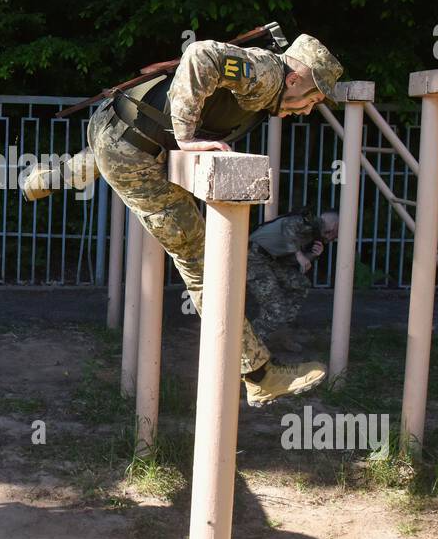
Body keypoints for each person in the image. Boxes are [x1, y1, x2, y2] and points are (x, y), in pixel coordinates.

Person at [81, 34, 343, 407]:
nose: (305, 111)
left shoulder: (266, 83)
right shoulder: (268, 75)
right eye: (312, 100)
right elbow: (201, 54)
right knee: (205, 265)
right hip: (132, 152)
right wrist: (186, 138)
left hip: (120, 127)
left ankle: (38, 180)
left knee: (87, 165)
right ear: (295, 78)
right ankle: (258, 374)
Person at [247, 209, 339, 359]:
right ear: (334, 226)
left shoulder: (311, 232)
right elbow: (287, 227)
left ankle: (280, 331)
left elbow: (289, 260)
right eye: (336, 233)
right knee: (276, 310)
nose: (334, 237)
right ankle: (248, 346)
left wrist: (312, 255)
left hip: (270, 261)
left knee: (300, 284)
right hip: (254, 258)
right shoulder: (304, 222)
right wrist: (299, 254)